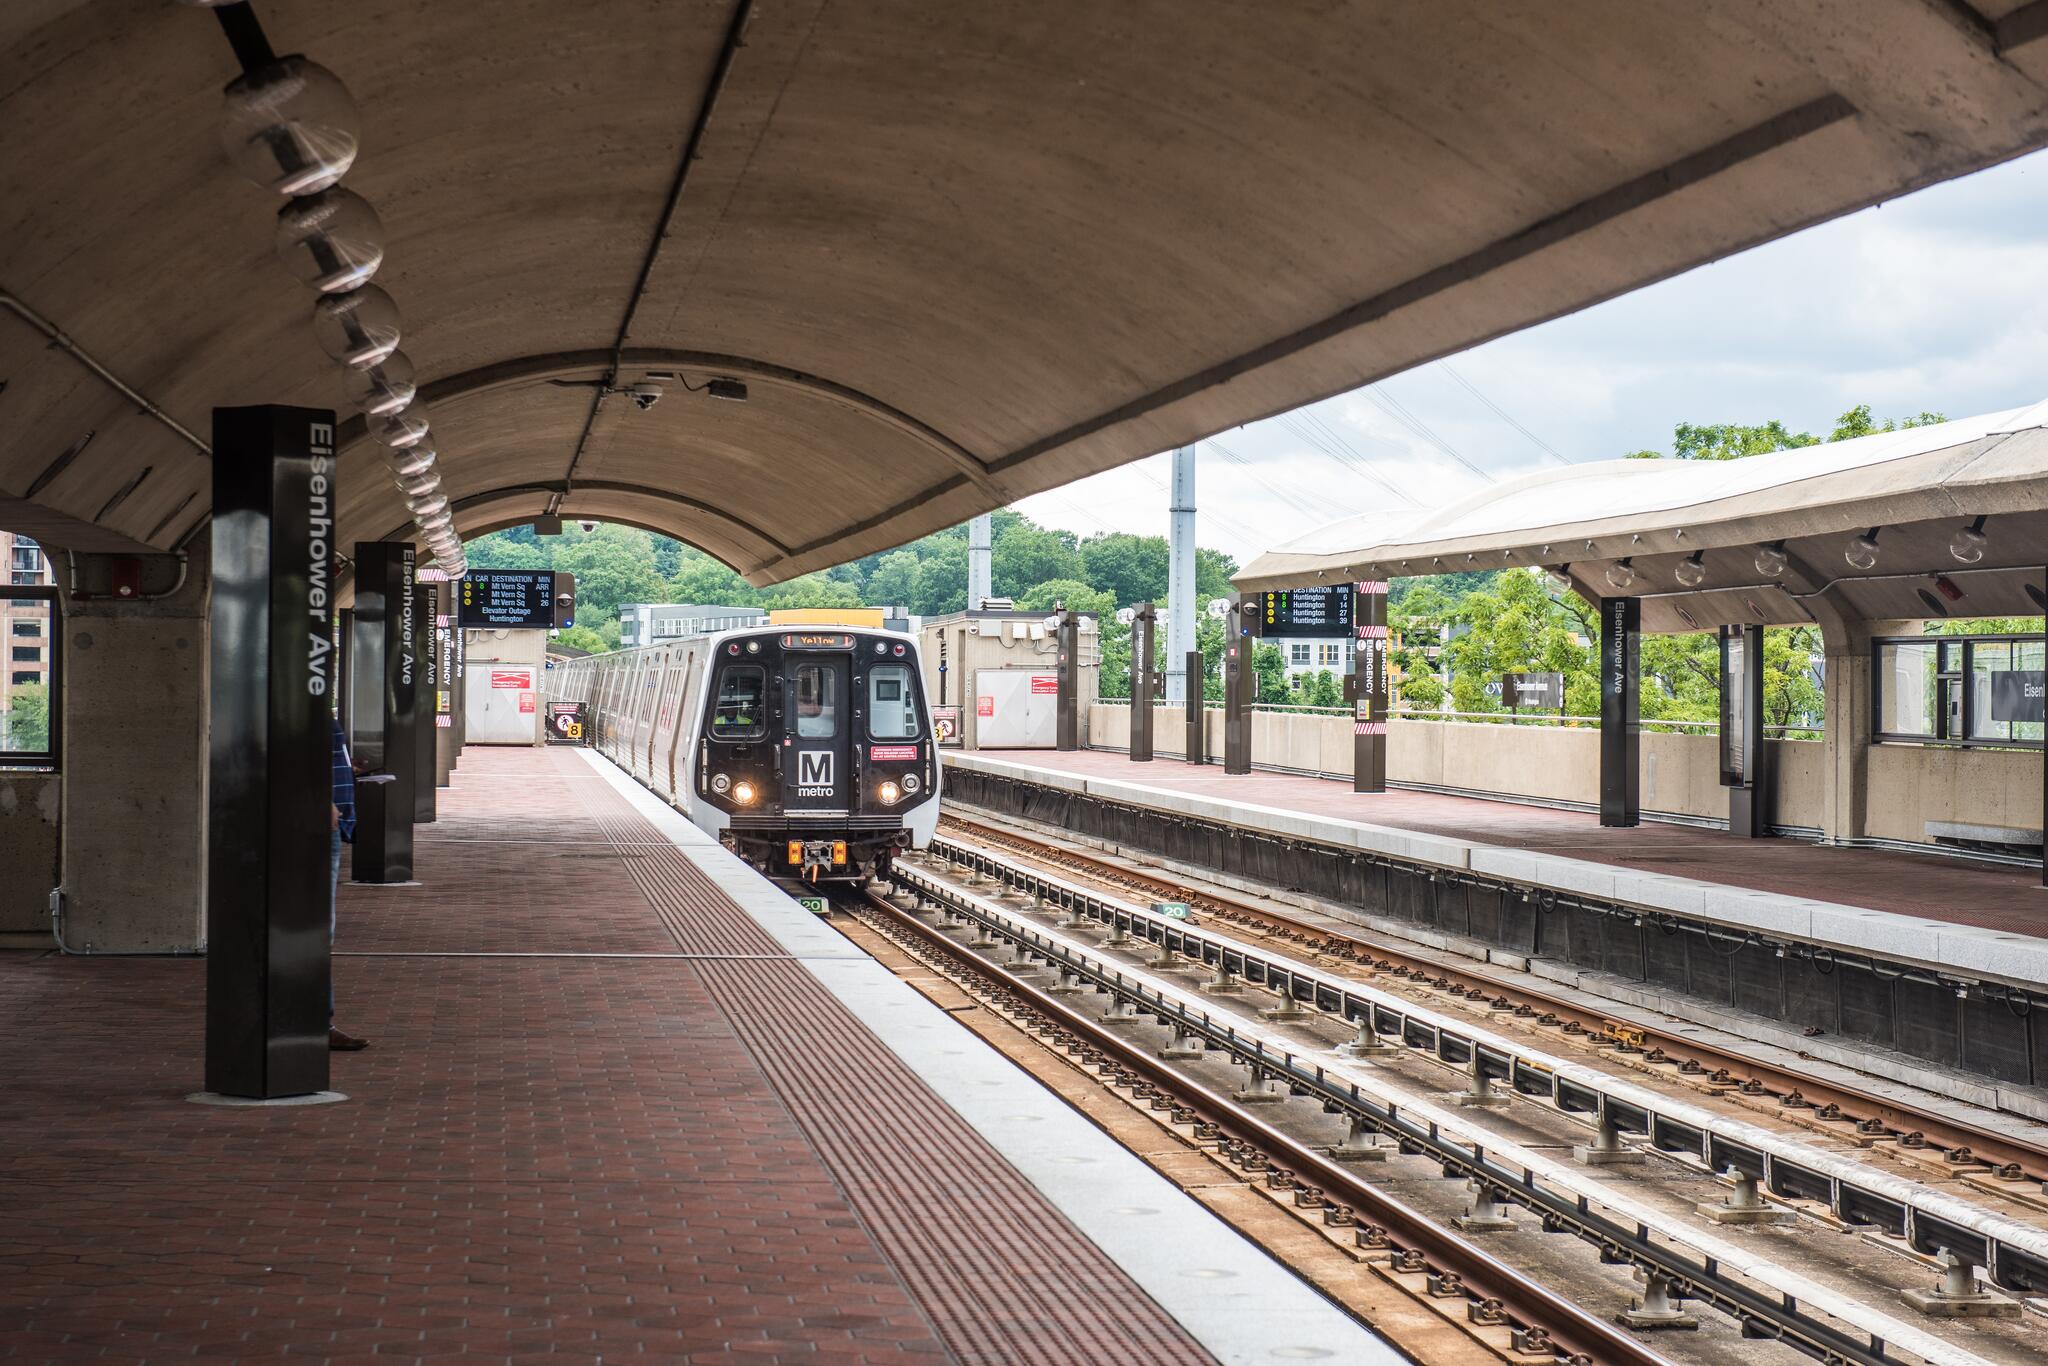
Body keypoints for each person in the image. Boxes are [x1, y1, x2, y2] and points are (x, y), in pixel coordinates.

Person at [329, 715, 369, 1051]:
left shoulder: (313, 712)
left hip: (333, 823)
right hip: (317, 823)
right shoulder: (294, 711)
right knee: (315, 926)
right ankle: (314, 1020)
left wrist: (347, 768)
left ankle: (317, 1018)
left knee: (321, 927)